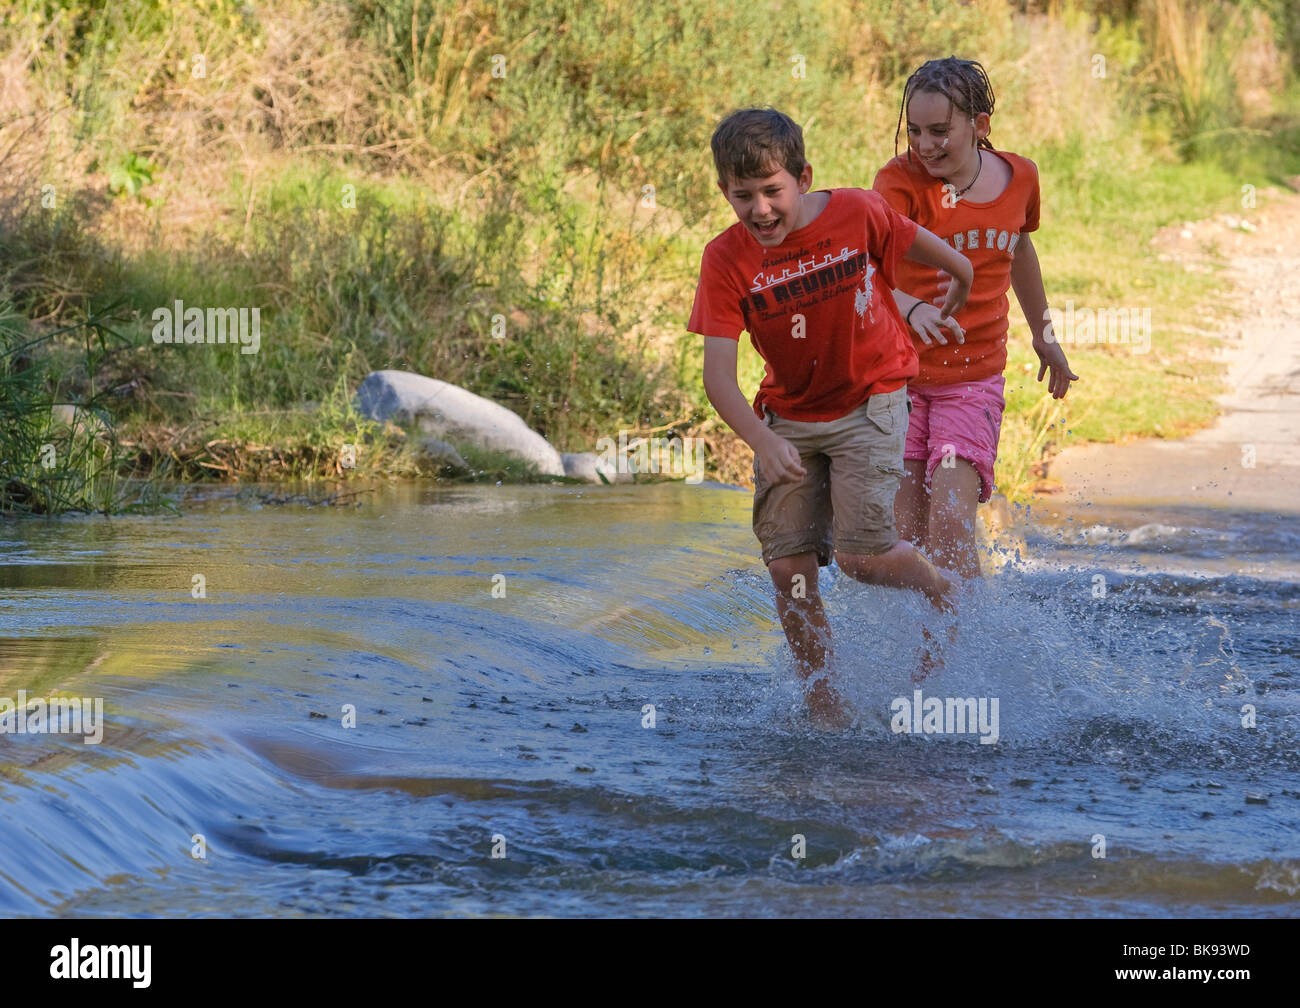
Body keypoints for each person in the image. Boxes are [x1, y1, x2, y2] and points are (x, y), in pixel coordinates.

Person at [688, 107, 974, 724]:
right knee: (788, 565)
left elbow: (935, 252)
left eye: (772, 191)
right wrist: (762, 440)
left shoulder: (855, 211)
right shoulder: (726, 259)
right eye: (744, 196)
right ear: (724, 192)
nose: (760, 209)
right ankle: (825, 699)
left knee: (859, 557)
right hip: (788, 416)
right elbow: (717, 376)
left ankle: (943, 589)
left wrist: (962, 279)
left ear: (803, 177)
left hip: (869, 400)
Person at [873, 57, 1079, 579]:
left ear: (979, 125)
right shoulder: (898, 184)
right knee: (905, 533)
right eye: (914, 130)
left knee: (948, 520)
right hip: (898, 379)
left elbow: (1020, 252)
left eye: (940, 131)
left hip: (972, 379)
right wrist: (912, 307)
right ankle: (914, 657)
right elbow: (867, 272)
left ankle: (968, 650)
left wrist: (1045, 335)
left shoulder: (1020, 177)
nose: (924, 145)